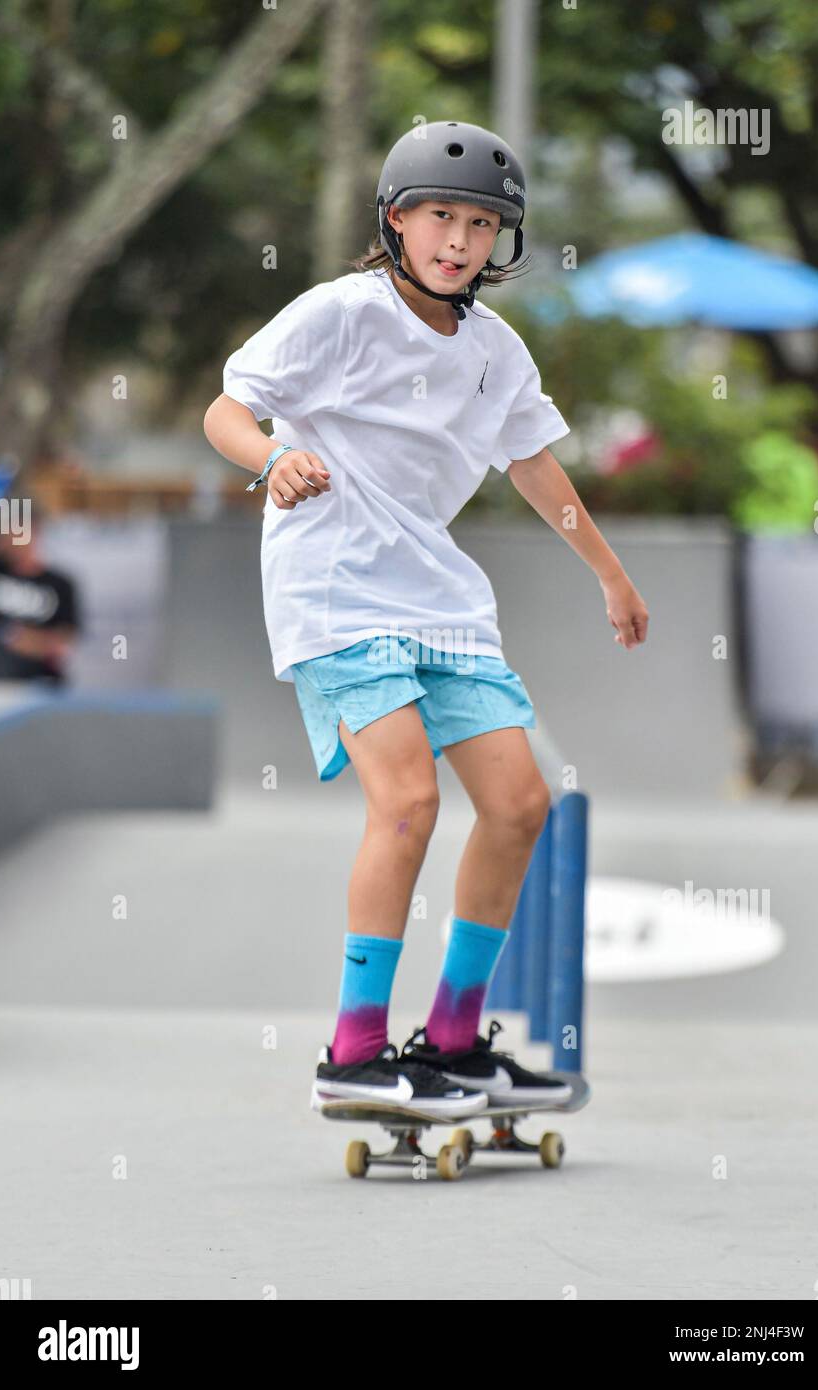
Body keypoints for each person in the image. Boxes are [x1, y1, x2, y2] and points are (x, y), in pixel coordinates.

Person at [204, 120, 648, 1120]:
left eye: (481, 223)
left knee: (520, 803)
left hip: (436, 593)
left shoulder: (493, 350)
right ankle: (353, 1052)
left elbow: (534, 463)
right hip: (332, 583)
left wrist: (609, 576)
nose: (458, 239)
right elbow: (227, 408)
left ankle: (451, 1043)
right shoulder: (341, 315)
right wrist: (271, 461)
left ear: (503, 240)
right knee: (406, 801)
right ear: (396, 222)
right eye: (439, 216)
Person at [0, 504, 80, 687]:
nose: (7, 538)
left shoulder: (60, 584)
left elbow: (61, 645)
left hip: (40, 684)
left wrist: (17, 637)